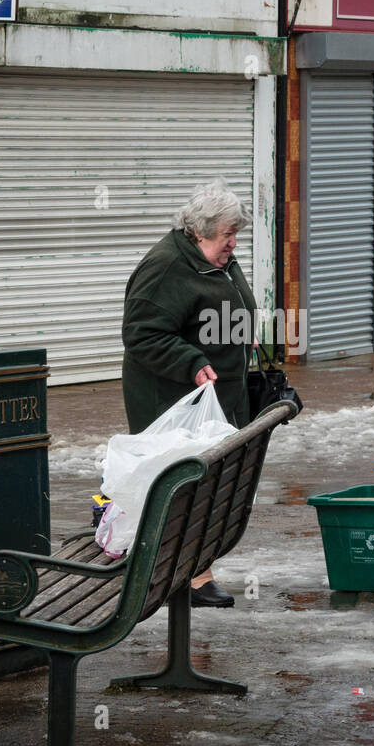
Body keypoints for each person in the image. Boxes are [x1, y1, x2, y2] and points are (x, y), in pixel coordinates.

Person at [121, 181, 256, 607]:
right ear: (198, 231)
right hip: (174, 402)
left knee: (214, 485)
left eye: (236, 235)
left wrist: (242, 333)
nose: (233, 244)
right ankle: (188, 577)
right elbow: (141, 334)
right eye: (226, 235)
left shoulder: (216, 259)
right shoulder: (164, 267)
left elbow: (223, 306)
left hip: (219, 397)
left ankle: (189, 569)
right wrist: (192, 362)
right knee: (188, 487)